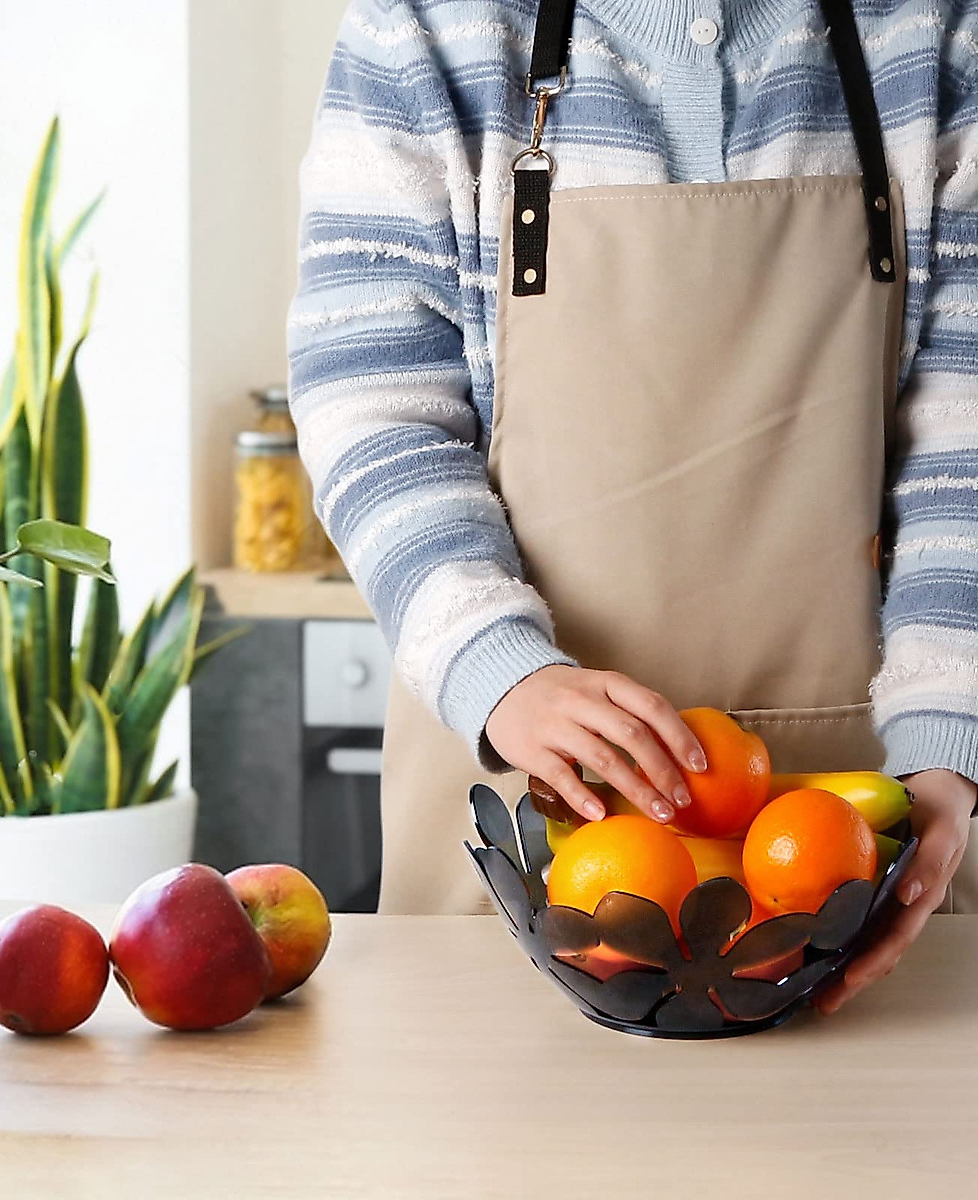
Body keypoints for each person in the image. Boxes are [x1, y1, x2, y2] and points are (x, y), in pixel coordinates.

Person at [287, 0, 978, 1012]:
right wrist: (500, 671)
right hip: (529, 828)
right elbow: (373, 407)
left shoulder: (937, 29)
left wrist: (949, 743)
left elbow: (965, 441)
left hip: (858, 837)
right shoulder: (427, 27)